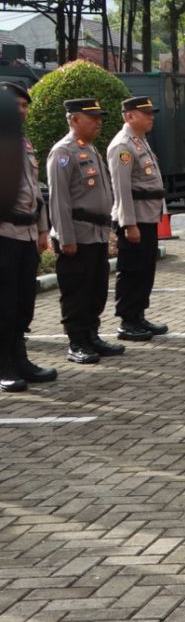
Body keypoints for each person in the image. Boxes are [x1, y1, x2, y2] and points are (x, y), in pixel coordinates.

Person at [47, 97, 122, 365]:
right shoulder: (63, 152)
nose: (98, 123)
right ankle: (77, 342)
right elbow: (59, 200)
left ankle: (92, 336)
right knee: (76, 292)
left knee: (96, 289)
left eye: (100, 118)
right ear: (75, 119)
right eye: (93, 118)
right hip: (77, 235)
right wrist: (66, 238)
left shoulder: (89, 149)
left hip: (97, 234)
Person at [0, 82, 54, 392]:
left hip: (27, 233)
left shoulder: (24, 143)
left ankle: (20, 359)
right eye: (15, 105)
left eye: (24, 106)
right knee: (4, 304)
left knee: (24, 303)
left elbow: (36, 192)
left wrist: (43, 229)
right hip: (4, 234)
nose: (21, 110)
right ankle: (4, 364)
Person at [107, 95, 168, 341]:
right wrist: (129, 224)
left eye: (152, 113)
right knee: (132, 270)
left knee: (145, 270)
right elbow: (121, 190)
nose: (151, 117)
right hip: (134, 220)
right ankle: (128, 321)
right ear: (130, 116)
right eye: (146, 113)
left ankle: (138, 315)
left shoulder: (140, 142)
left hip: (147, 217)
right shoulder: (123, 146)